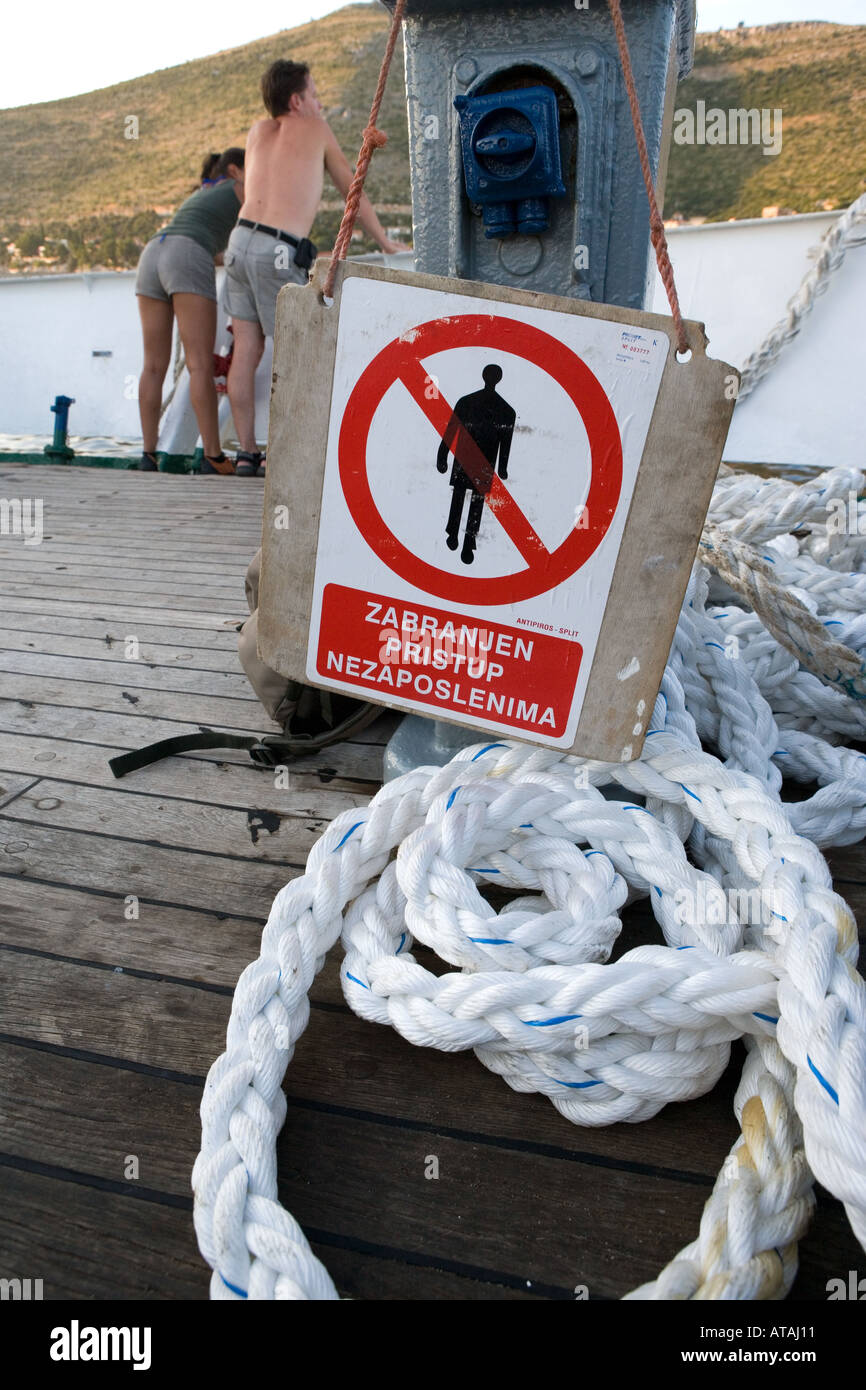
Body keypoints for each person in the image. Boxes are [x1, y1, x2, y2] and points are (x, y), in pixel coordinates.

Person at [223, 60, 408, 477]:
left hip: (239, 242)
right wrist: (383, 240)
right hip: (277, 248)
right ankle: (277, 453)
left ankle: (247, 455)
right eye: (315, 94)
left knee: (246, 351)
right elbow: (352, 190)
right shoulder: (316, 128)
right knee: (291, 352)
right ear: (297, 100)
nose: (320, 102)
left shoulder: (256, 132)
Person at [135, 147, 245, 474]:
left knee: (153, 365)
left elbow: (205, 246)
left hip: (153, 252)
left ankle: (148, 454)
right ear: (237, 170)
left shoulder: (201, 194)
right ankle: (213, 456)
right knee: (199, 364)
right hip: (185, 254)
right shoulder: (240, 188)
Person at [436, 364, 516, 565]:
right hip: (480, 462)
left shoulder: (467, 401)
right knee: (474, 502)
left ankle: (456, 535)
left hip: (469, 458)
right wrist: (503, 469)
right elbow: (505, 444)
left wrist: (442, 455)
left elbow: (451, 431)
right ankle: (465, 540)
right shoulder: (506, 411)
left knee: (461, 496)